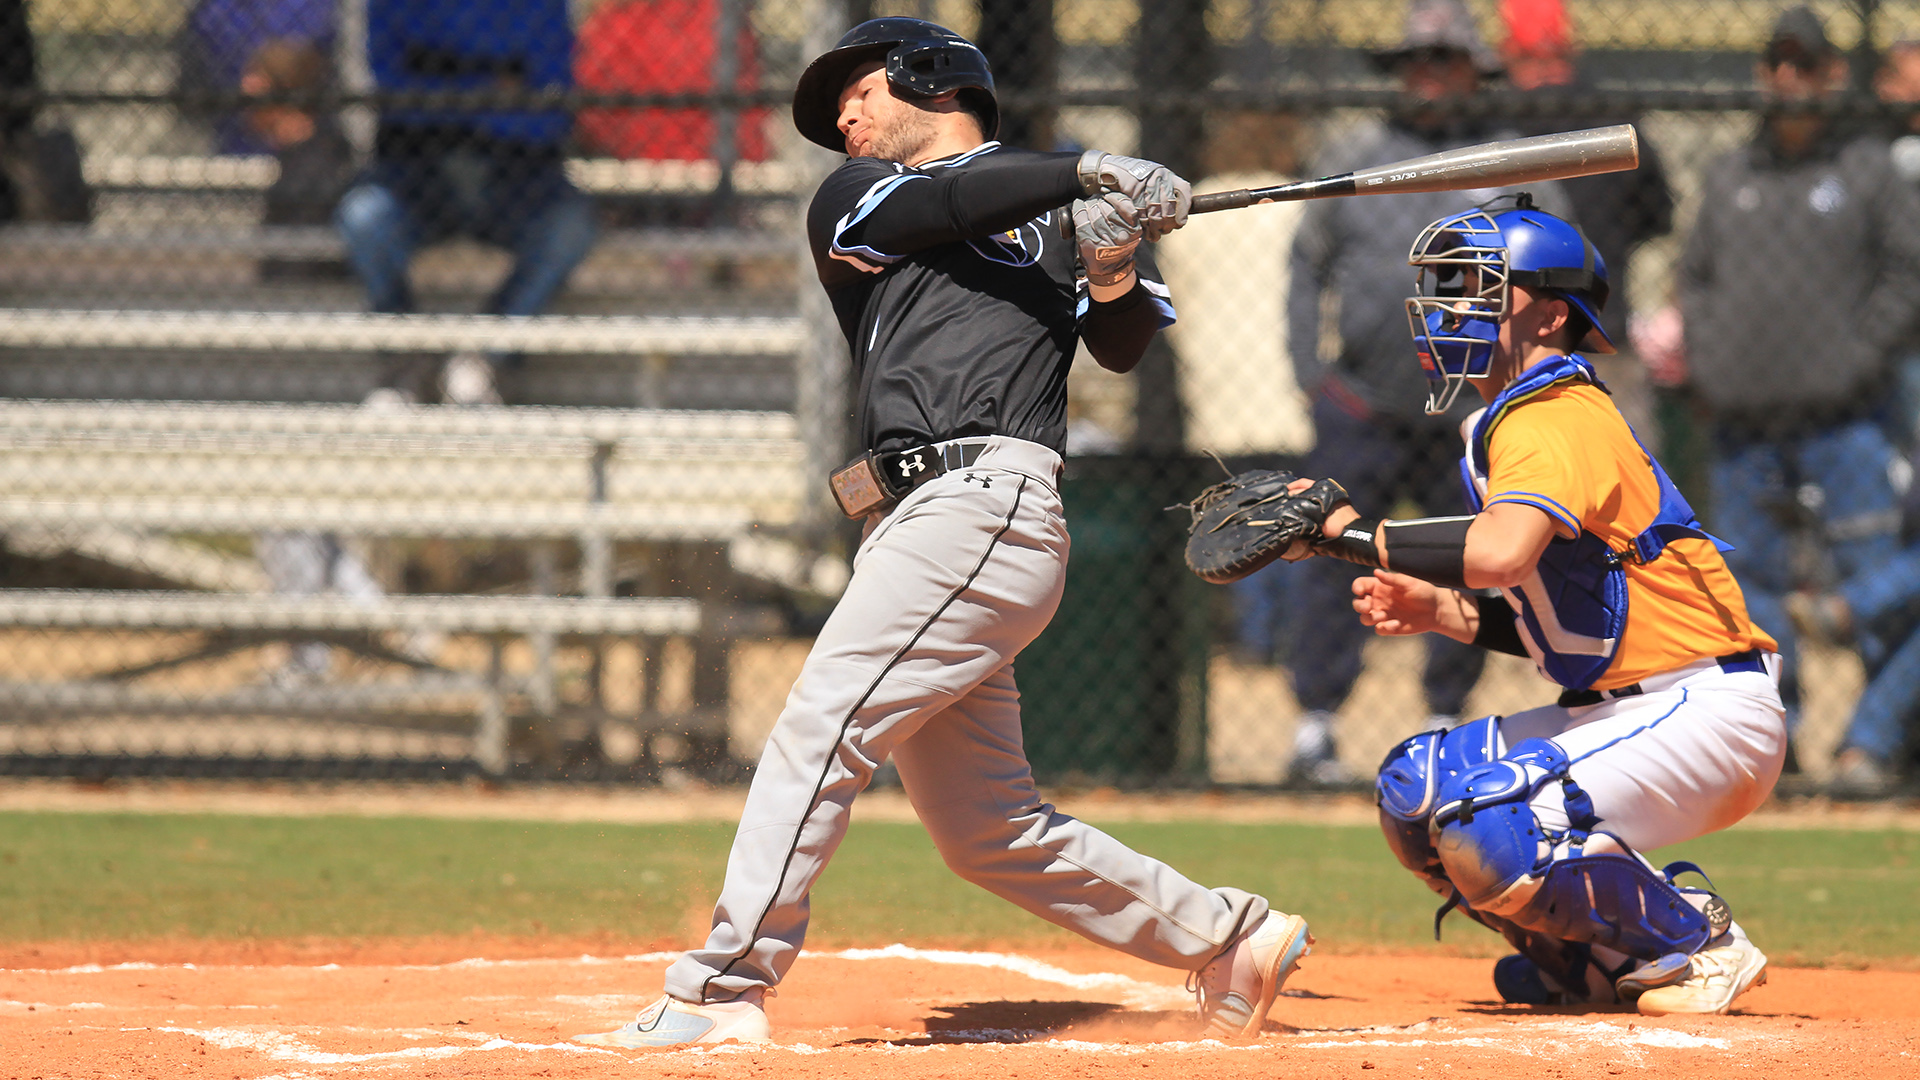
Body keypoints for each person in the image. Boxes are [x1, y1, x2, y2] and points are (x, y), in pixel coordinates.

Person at [574, 18, 1311, 1048]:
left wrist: (1106, 264)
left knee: (818, 726)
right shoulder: (861, 196)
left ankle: (721, 988)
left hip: (985, 501)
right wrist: (1087, 171)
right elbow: (958, 198)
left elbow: (1124, 343)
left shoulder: (1054, 204)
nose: (842, 116)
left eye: (857, 90)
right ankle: (1229, 937)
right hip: (916, 521)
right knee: (986, 830)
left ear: (928, 76)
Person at [1270, 197, 1783, 1014]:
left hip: (1708, 709)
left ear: (1549, 314)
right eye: (1448, 287)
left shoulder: (1551, 411)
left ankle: (1695, 937)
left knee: (1487, 818)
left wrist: (1352, 535)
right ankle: (1592, 962)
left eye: (1476, 287)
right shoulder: (1518, 415)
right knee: (1417, 790)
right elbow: (1578, 615)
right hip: (1636, 705)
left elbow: (1500, 551)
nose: (1449, 307)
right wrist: (1446, 612)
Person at [1283, 0, 1567, 784]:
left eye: (1446, 62)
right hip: (1364, 402)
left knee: (1472, 560)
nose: (1430, 77)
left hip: (1473, 413)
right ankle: (1315, 723)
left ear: (1476, 71)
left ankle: (1447, 717)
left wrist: (1526, 386)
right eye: (1418, 63)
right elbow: (1307, 265)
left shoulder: (1512, 160)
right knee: (1331, 554)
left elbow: (1562, 273)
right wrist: (1313, 374)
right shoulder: (1359, 152)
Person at [1675, 5, 1920, 763]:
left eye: (1805, 64)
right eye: (1777, 63)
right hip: (1744, 421)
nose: (1788, 78)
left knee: (1873, 579)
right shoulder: (1730, 172)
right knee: (1745, 592)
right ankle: (1768, 749)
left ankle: (1877, 750)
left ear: (1832, 75)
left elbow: (1905, 271)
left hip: (1847, 418)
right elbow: (1695, 278)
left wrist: (1857, 358)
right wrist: (1712, 364)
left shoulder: (1866, 167)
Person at [337, 0, 597, 405]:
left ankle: (484, 357)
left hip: (514, 177)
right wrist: (497, 88)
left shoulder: (539, 6)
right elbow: (391, 94)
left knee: (571, 226)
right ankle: (406, 363)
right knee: (364, 215)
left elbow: (551, 112)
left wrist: (439, 81)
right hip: (418, 173)